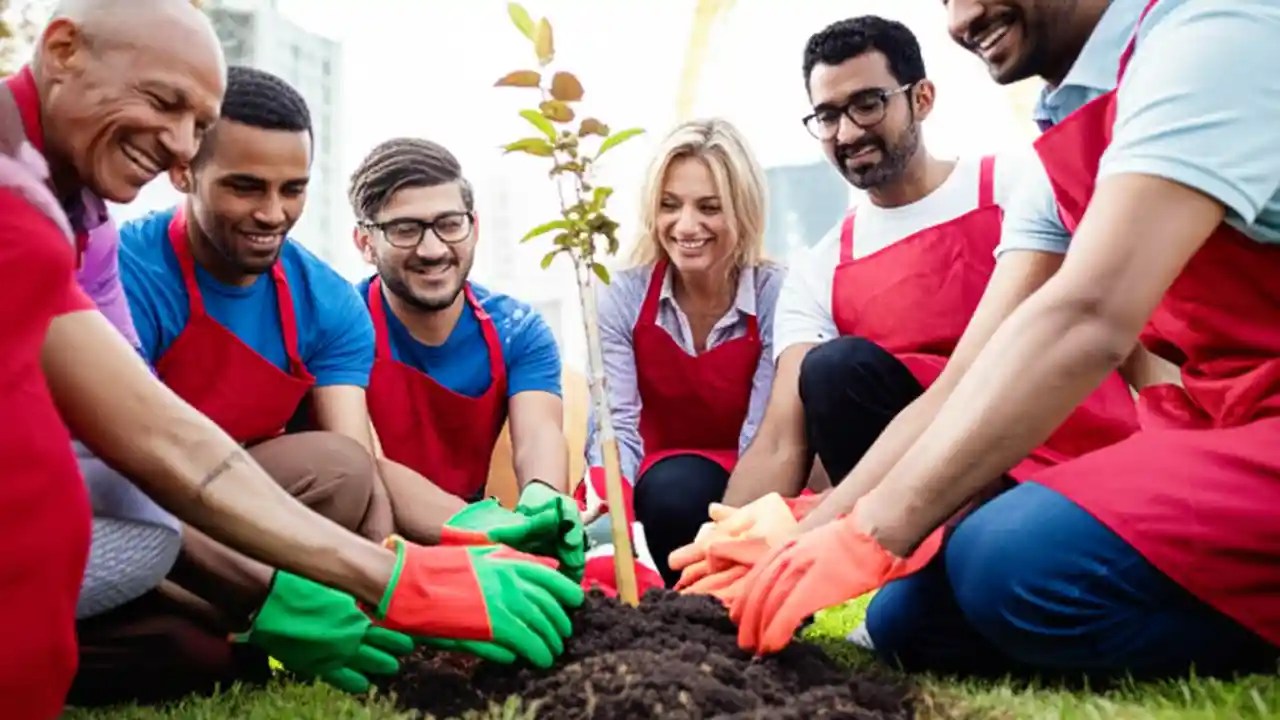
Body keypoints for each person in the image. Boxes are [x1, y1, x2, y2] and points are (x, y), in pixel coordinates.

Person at [3, 2, 582, 711]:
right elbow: (142, 443)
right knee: (147, 536)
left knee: (188, 620)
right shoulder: (100, 242)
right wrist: (351, 584)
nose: (181, 145)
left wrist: (405, 566)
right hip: (119, 502)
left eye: (292, 189)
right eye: (164, 104)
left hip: (159, 502)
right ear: (61, 51)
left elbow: (188, 448)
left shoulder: (84, 228)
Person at [730, 0, 1280, 681]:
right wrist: (814, 531)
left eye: (867, 103)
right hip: (1223, 428)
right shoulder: (1064, 133)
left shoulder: (1216, 35)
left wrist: (878, 530)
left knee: (1006, 561)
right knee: (908, 621)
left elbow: (1091, 315)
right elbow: (963, 379)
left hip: (1248, 432)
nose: (963, 18)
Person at [672, 16, 1141, 600]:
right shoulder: (821, 267)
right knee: (833, 371)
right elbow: (779, 441)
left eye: (867, 104)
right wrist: (716, 554)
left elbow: (1114, 329)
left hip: (1059, 446)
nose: (847, 132)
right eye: (827, 115)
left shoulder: (1018, 185)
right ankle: (918, 562)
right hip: (926, 471)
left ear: (921, 98)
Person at [349, 137, 585, 578]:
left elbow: (538, 435)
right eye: (405, 229)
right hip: (368, 549)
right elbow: (363, 463)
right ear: (365, 242)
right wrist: (487, 532)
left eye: (449, 224)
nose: (433, 249)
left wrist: (543, 502)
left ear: (474, 227)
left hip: (477, 554)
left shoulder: (518, 330)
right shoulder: (340, 324)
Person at [583, 117, 785, 588]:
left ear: (743, 210)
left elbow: (765, 434)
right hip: (663, 475)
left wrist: (730, 536)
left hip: (753, 470)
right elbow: (617, 427)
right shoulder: (620, 295)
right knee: (675, 490)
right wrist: (611, 524)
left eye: (709, 207)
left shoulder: (778, 294)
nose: (686, 226)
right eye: (670, 206)